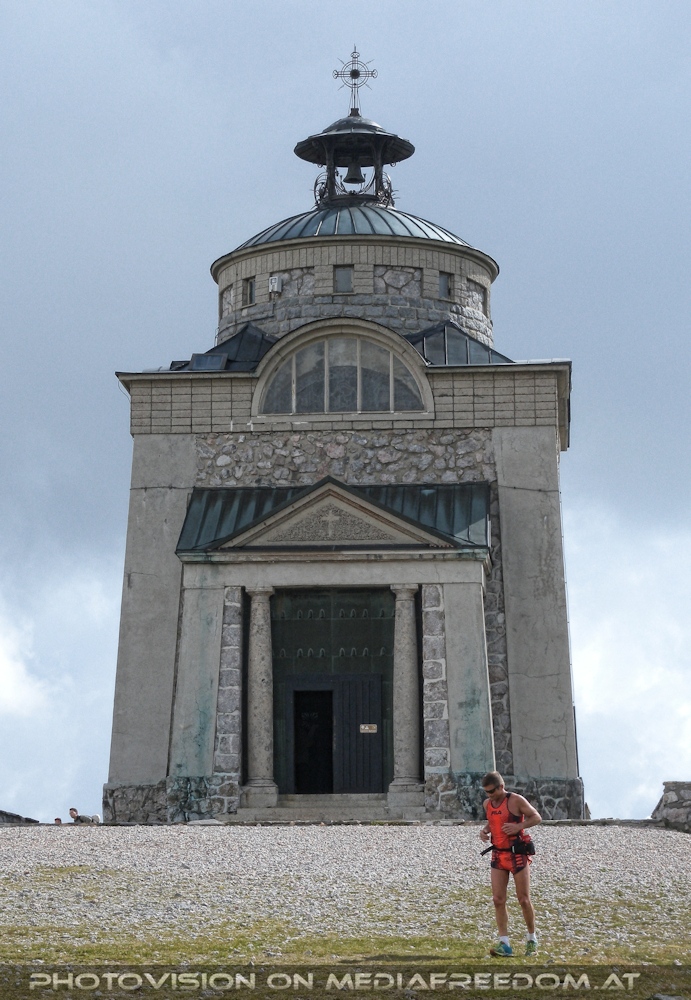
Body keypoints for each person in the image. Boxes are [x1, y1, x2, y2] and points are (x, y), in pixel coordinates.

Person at [479, 770, 542, 957]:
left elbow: (536, 817)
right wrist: (484, 831)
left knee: (523, 899)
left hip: (517, 854)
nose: (489, 796)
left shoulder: (515, 800)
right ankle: (504, 944)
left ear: (501, 787)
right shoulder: (487, 804)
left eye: (492, 791)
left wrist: (518, 826)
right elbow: (493, 821)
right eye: (486, 792)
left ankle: (532, 939)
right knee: (498, 900)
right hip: (498, 855)